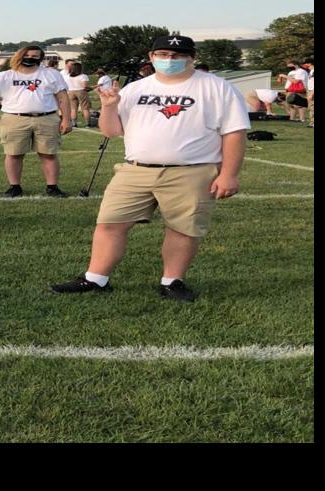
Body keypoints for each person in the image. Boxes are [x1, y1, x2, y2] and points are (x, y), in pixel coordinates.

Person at [50, 34, 249, 303]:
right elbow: (111, 130)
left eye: (179, 56)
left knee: (182, 229)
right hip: (135, 170)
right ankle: (96, 278)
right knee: (109, 223)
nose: (170, 60)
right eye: (164, 55)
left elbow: (234, 133)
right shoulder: (136, 88)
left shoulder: (217, 87)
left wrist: (228, 174)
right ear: (152, 57)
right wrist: (109, 107)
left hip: (191, 170)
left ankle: (172, 281)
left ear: (192, 58)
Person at [0, 44, 73, 198]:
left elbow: (62, 97)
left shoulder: (51, 74)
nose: (31, 58)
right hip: (15, 118)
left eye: (35, 56)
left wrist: (67, 119)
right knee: (13, 154)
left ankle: (52, 187)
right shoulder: (6, 75)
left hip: (46, 118)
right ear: (19, 56)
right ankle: (14, 186)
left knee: (49, 154)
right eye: (27, 55)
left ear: (40, 58)